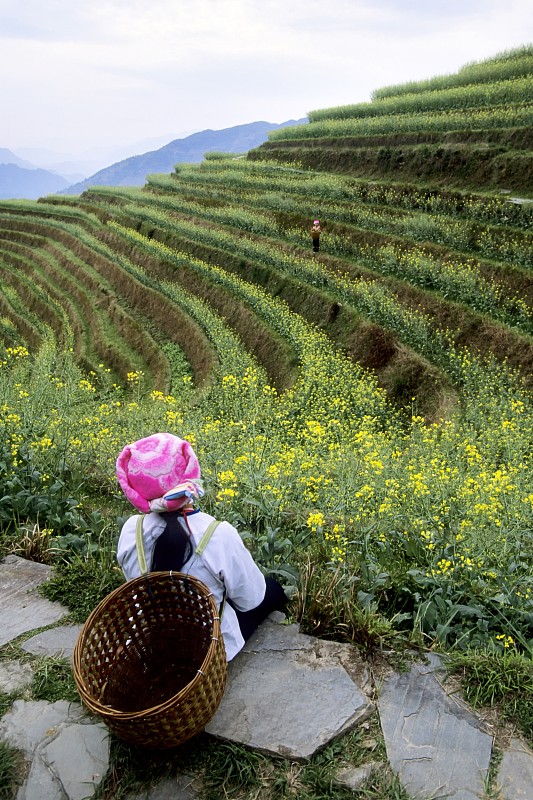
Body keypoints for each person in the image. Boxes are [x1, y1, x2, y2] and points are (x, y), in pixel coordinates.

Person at [115, 432, 288, 661]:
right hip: (207, 653)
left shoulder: (131, 530)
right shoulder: (218, 534)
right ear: (190, 474)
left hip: (152, 644)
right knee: (272, 589)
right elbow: (250, 601)